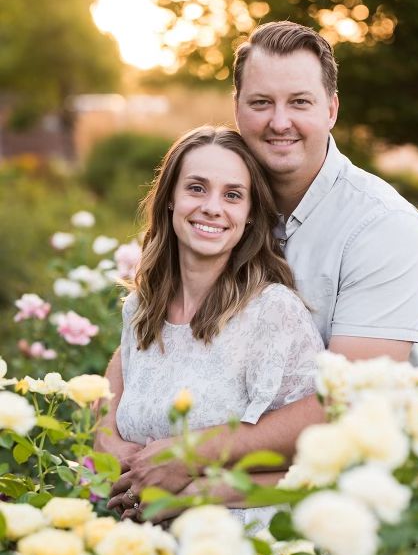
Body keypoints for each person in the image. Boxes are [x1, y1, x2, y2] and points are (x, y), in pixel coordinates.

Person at [105, 20, 418, 507]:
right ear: (238, 109)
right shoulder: (220, 201)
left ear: (331, 110)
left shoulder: (382, 227)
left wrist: (193, 456)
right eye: (261, 103)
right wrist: (106, 440)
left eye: (299, 102)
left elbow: (354, 400)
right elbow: (148, 332)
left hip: (335, 505)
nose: (280, 121)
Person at [98, 126, 323, 522]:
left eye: (232, 195)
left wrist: (193, 493)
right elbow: (105, 422)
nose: (212, 207)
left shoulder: (273, 313)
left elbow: (317, 461)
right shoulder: (140, 311)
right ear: (169, 198)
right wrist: (114, 452)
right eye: (196, 188)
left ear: (251, 215)